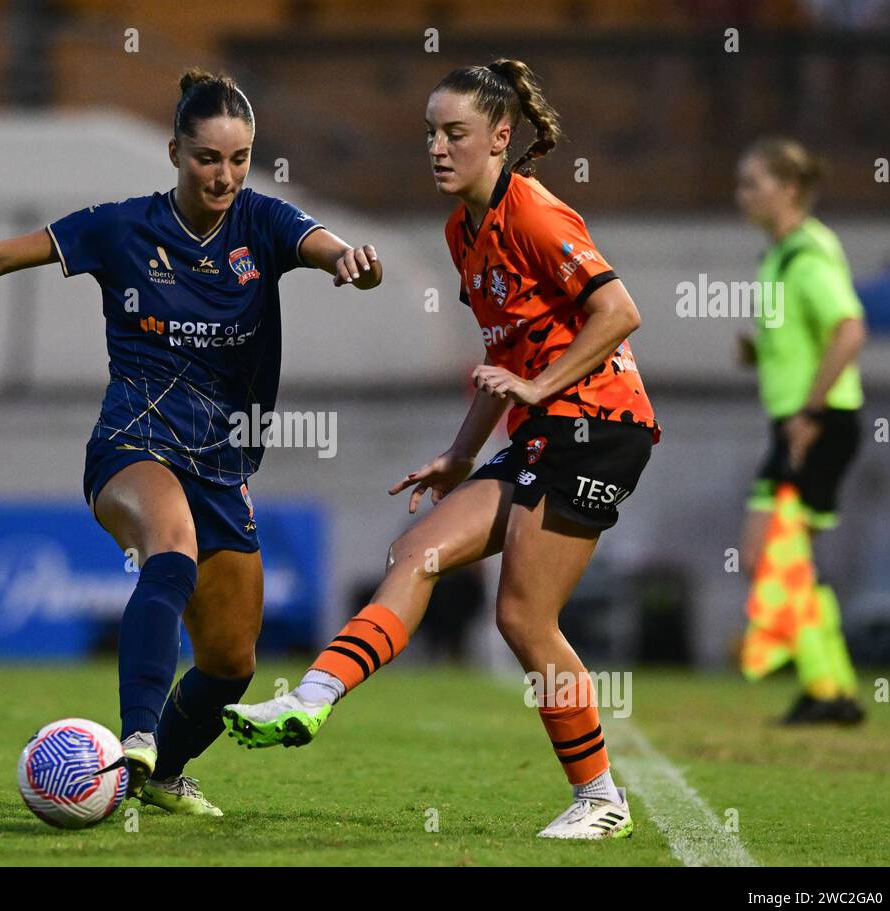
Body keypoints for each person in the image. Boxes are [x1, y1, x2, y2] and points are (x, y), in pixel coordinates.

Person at [0, 69, 383, 815]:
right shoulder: (120, 229)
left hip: (223, 463)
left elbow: (325, 246)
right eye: (208, 158)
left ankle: (161, 773)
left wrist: (351, 263)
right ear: (175, 151)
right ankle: (135, 735)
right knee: (169, 547)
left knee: (231, 661)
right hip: (133, 444)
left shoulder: (262, 224)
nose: (225, 174)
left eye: (239, 158)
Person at [225, 58, 660, 840]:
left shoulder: (533, 212)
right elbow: (505, 358)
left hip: (599, 426)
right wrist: (461, 454)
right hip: (543, 426)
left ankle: (601, 799)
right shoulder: (463, 230)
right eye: (430, 132)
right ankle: (311, 698)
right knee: (415, 551)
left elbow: (620, 313)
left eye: (455, 133)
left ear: (500, 138)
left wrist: (540, 385)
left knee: (525, 617)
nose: (437, 147)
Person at [733, 137, 866, 725]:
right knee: (781, 558)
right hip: (799, 424)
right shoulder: (781, 254)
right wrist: (760, 353)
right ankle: (830, 685)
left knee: (768, 554)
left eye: (752, 184)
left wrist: (809, 414)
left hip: (815, 424)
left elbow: (849, 330)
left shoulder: (805, 255)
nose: (742, 196)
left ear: (788, 190)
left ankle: (827, 688)